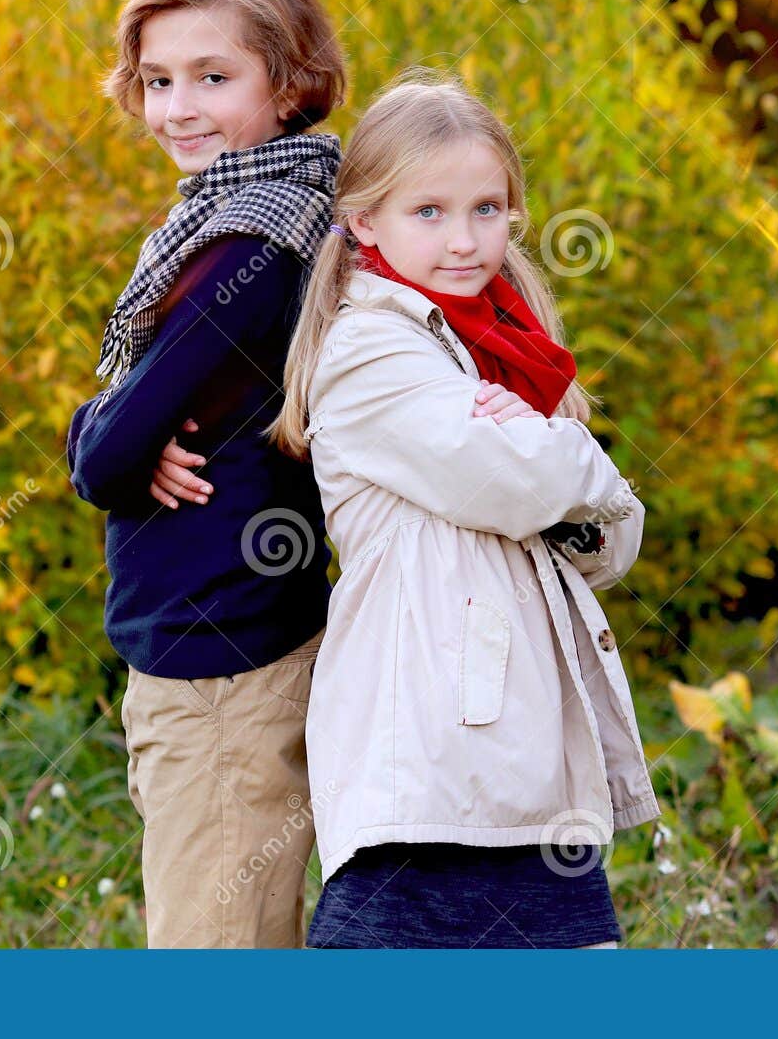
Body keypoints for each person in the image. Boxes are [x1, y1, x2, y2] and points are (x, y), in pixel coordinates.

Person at [264, 68, 659, 948]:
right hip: (433, 760)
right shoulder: (370, 350)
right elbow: (515, 480)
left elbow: (607, 542)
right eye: (429, 211)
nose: (463, 239)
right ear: (365, 221)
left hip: (524, 768)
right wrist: (571, 461)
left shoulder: (507, 352)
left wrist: (558, 464)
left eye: (487, 208)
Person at [67, 0, 346, 947]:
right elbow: (122, 431)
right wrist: (111, 431)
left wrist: (100, 436)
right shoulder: (266, 213)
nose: (178, 107)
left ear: (291, 81)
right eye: (157, 79)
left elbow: (106, 463)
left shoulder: (248, 249)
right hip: (227, 637)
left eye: (213, 77)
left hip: (218, 658)